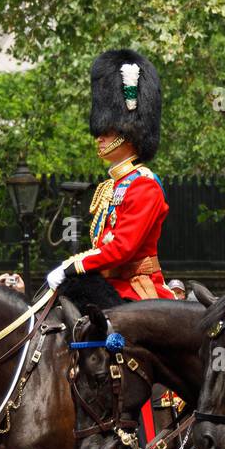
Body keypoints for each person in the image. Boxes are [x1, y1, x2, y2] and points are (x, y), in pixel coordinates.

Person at [47, 48, 174, 301]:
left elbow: (122, 249)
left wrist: (72, 267)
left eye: (108, 131)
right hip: (111, 284)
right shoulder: (112, 186)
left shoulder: (144, 186)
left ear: (129, 133)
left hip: (138, 291)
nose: (100, 137)